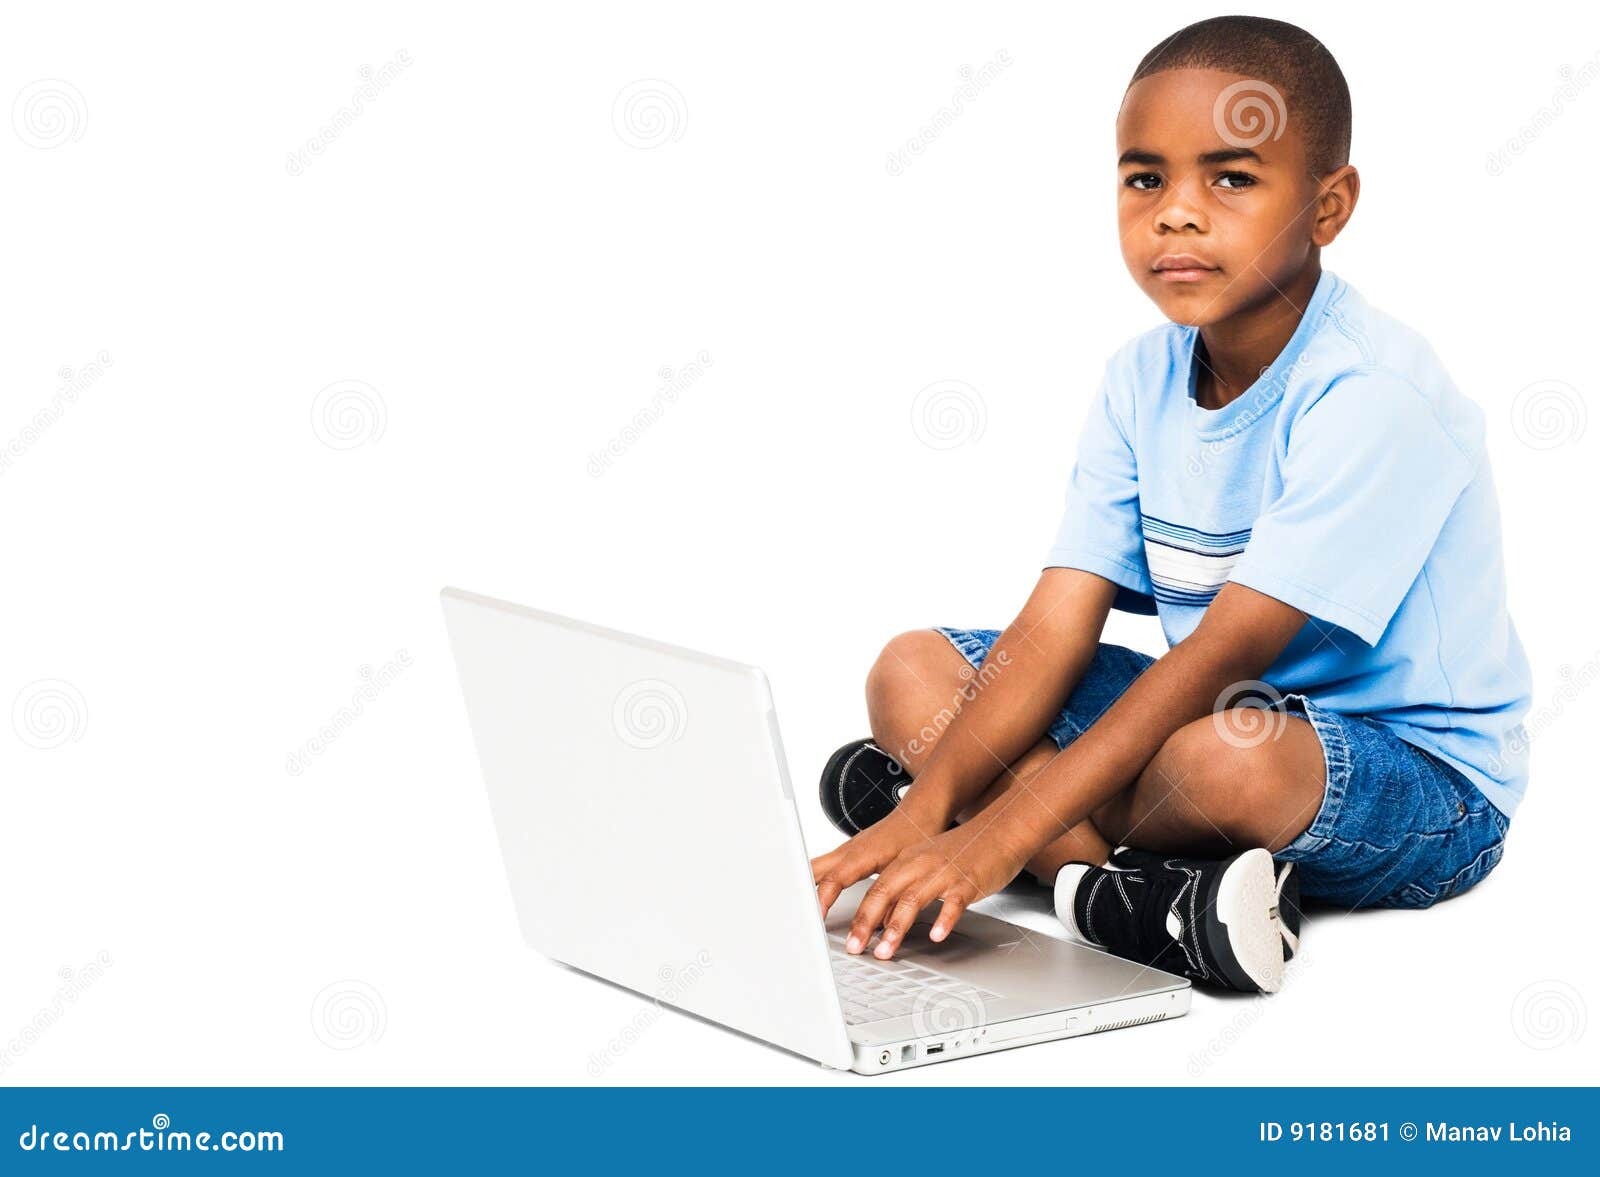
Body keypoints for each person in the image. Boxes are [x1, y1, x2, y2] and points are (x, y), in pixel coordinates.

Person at [810, 15, 1531, 994]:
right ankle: (1093, 890)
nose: (1176, 214)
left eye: (1230, 178)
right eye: (1145, 178)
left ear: (1328, 207)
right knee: (912, 672)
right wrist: (930, 803)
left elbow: (1220, 657)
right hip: (1205, 719)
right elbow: (1056, 622)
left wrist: (989, 833)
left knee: (1216, 765)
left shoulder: (1372, 392)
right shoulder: (1135, 377)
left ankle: (1035, 830)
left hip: (1408, 776)